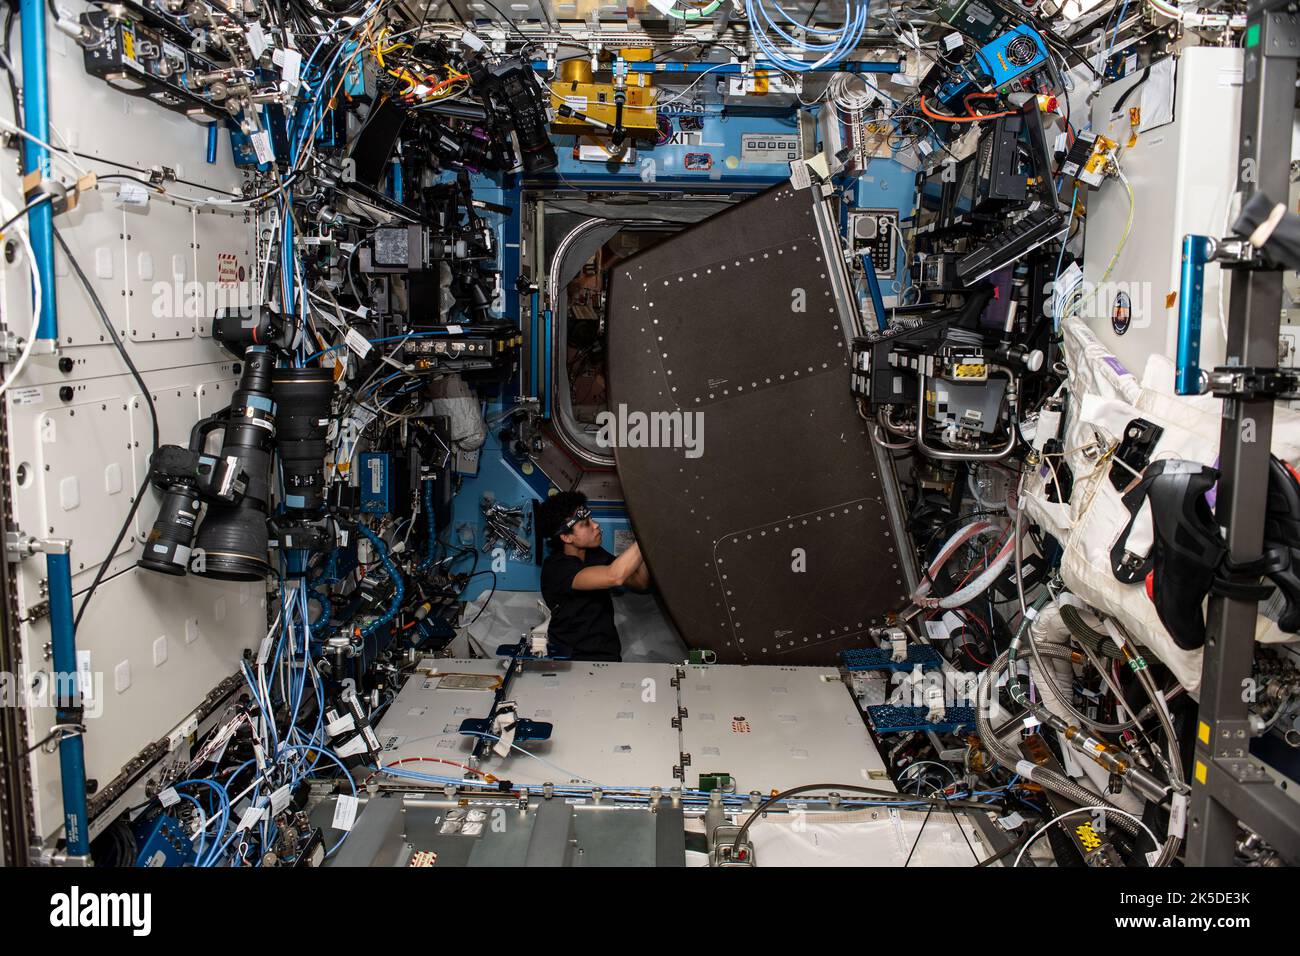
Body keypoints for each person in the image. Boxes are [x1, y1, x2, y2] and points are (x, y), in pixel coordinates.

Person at [537, 492, 650, 661]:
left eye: (592, 518)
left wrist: (650, 541)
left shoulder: (595, 554)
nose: (596, 525)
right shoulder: (556, 568)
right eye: (585, 524)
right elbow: (615, 576)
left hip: (608, 656)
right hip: (571, 661)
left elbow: (641, 582)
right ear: (566, 537)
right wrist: (647, 531)